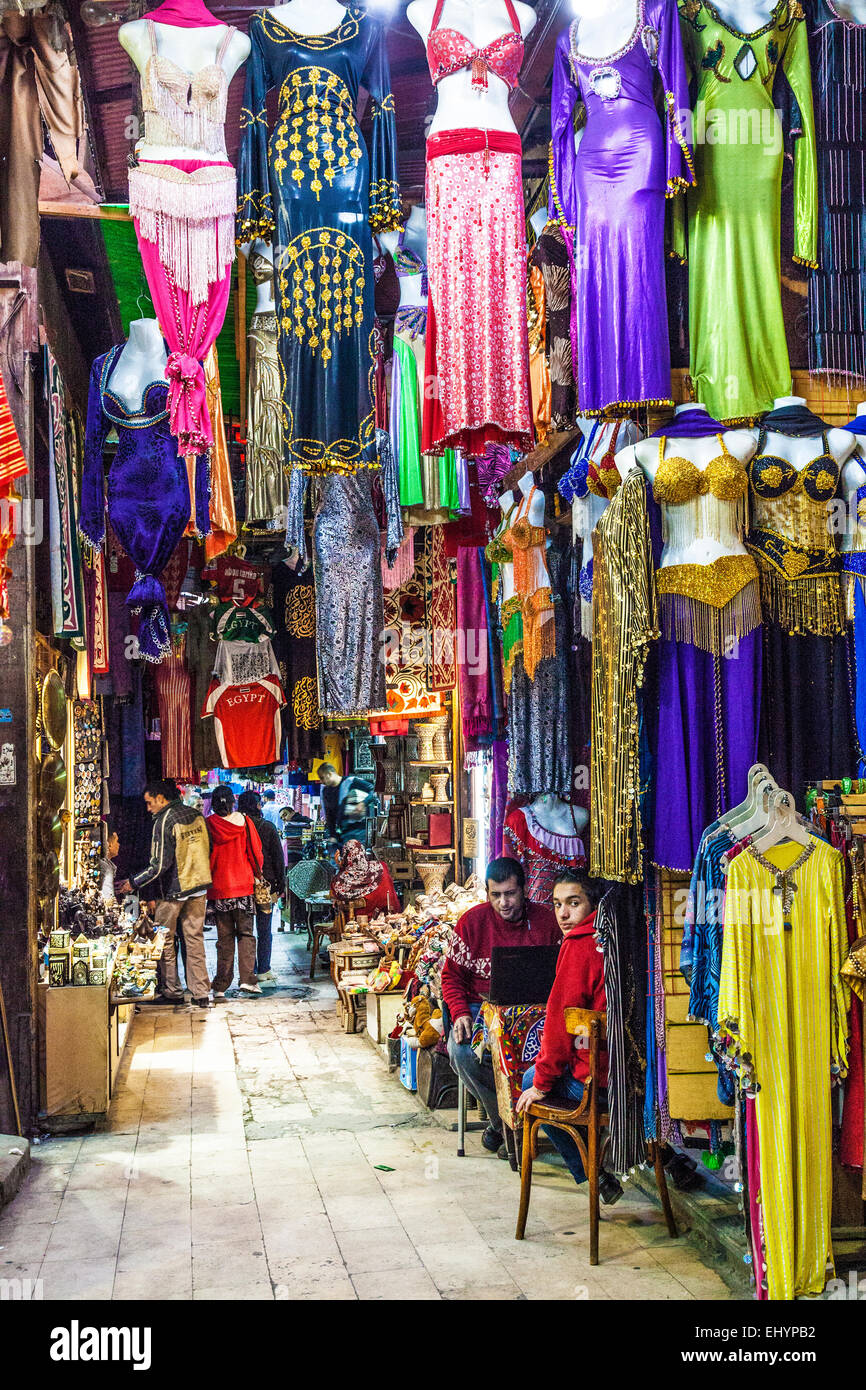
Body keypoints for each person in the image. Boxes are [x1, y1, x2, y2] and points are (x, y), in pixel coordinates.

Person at [516, 868, 623, 1205]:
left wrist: (541, 1083)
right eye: (557, 904)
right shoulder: (621, 936)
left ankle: (592, 1172)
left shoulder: (579, 945)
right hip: (636, 1081)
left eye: (573, 903)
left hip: (599, 1086)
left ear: (591, 904)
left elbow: (560, 1028)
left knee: (531, 1079)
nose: (563, 914)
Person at [441, 856, 560, 1156]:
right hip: (479, 1010)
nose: (504, 902)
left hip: (535, 1013)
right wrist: (460, 1014)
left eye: (510, 894)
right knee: (463, 1053)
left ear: (524, 890)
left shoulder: (547, 922)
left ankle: (504, 1127)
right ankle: (507, 1126)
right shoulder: (472, 922)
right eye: (496, 895)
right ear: (487, 893)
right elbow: (451, 977)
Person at [119, 779, 213, 1008]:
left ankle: (172, 990)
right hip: (199, 887)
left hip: (173, 891)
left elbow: (159, 865)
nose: (148, 808)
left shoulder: (164, 821)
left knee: (165, 940)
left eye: (150, 803)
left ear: (161, 798)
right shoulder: (197, 816)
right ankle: (201, 993)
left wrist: (133, 883)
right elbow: (207, 849)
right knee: (194, 939)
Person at [206, 784, 264, 998]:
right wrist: (257, 875)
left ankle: (220, 986)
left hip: (219, 887)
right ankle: (248, 980)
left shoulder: (209, 824)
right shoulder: (245, 822)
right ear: (233, 802)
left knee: (224, 938)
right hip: (243, 886)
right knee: (246, 934)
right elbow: (255, 853)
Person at [238, 789, 285, 984]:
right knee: (264, 929)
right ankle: (263, 969)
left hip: (243, 884)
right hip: (266, 885)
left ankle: (249, 970)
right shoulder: (267, 827)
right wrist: (280, 885)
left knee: (245, 930)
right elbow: (277, 858)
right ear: (258, 806)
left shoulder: (237, 828)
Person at [330, 839, 399, 915]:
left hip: (355, 922)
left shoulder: (341, 879)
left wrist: (341, 868)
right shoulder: (381, 867)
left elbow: (336, 895)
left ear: (346, 856)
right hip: (388, 918)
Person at [318, 762, 378, 845]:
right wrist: (333, 835)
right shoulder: (326, 791)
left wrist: (363, 803)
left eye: (322, 778)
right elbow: (329, 815)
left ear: (329, 774)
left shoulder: (351, 781)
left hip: (360, 831)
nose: (321, 781)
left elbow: (374, 790)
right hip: (343, 834)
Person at [98, 820, 121, 905]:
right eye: (116, 841)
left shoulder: (107, 866)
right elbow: (109, 900)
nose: (118, 845)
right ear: (110, 844)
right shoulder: (107, 869)